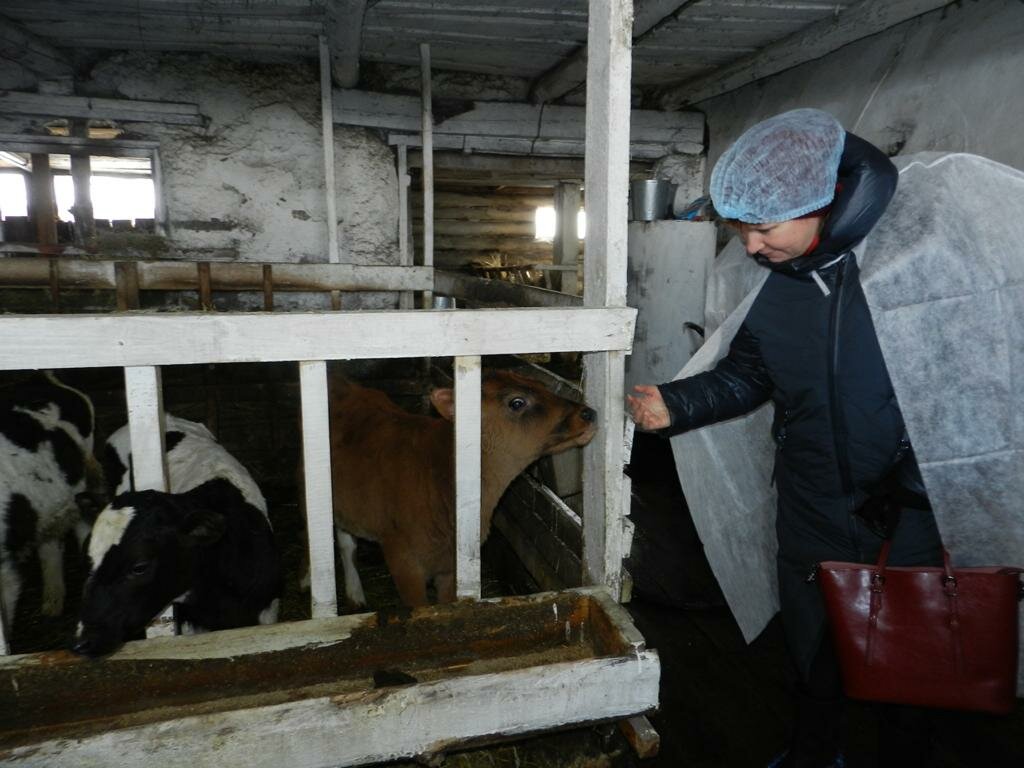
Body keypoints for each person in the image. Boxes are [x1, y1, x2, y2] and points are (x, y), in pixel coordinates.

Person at [627, 109, 943, 768]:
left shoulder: (914, 263)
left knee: (908, 669)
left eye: (762, 229)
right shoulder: (779, 283)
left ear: (820, 204)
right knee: (812, 652)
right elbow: (748, 373)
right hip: (809, 507)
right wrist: (677, 404)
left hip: (907, 519)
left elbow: (984, 381)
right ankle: (813, 752)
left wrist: (921, 475)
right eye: (741, 231)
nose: (749, 248)